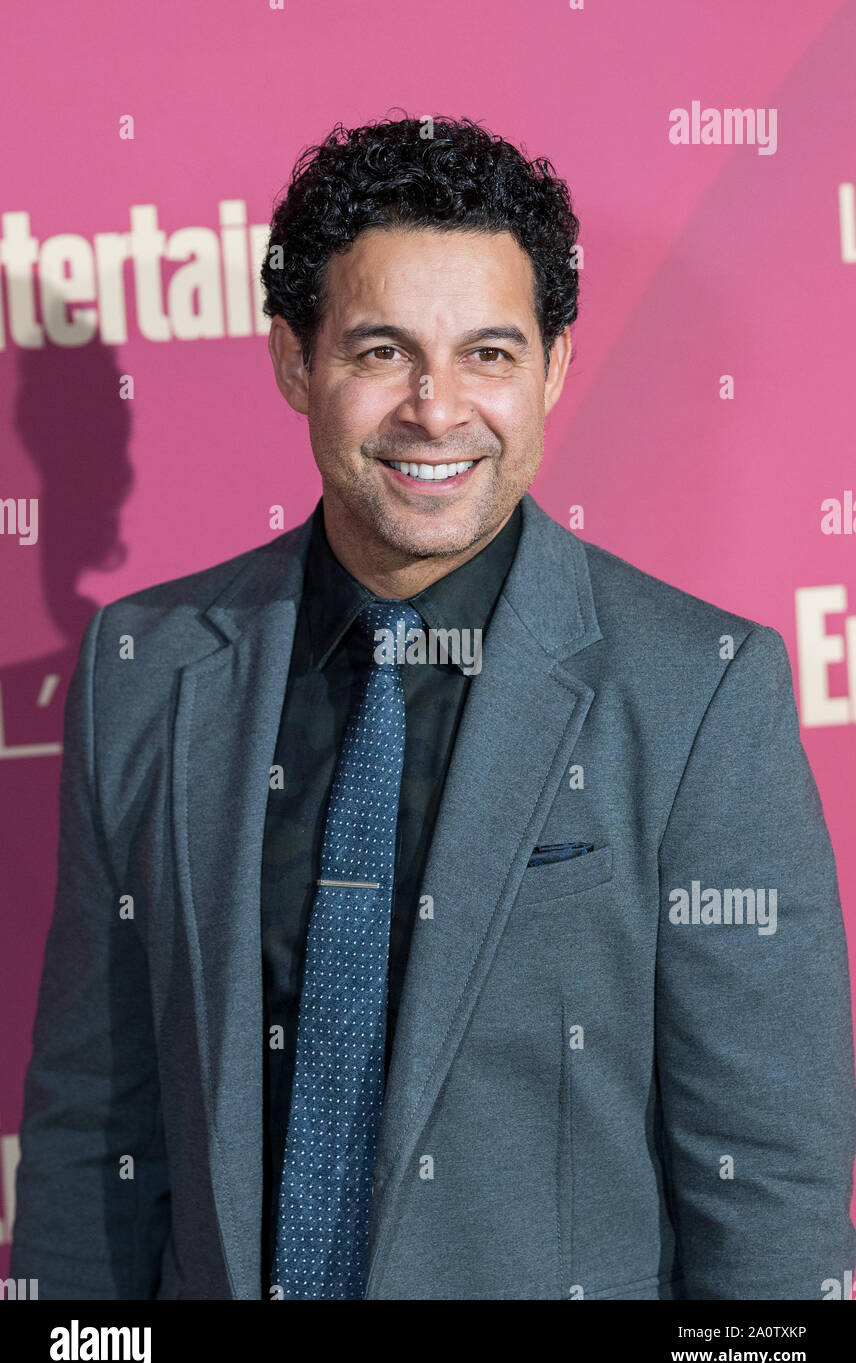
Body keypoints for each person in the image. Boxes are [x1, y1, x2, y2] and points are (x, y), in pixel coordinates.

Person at [11, 116, 856, 1301]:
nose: (436, 409)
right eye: (380, 351)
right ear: (295, 361)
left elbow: (767, 1187)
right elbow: (94, 1132)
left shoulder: (698, 693)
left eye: (490, 354)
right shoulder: (146, 668)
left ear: (555, 366)